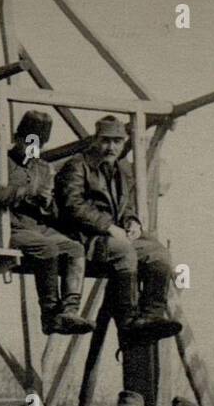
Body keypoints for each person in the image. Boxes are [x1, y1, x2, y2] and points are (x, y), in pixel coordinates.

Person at [54, 116, 181, 344]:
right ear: (95, 140)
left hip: (116, 235)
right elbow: (72, 205)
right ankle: (129, 321)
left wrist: (132, 222)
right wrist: (108, 226)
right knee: (124, 251)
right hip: (85, 237)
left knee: (158, 252)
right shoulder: (77, 166)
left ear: (124, 143)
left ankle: (151, 315)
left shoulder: (121, 170)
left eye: (117, 141)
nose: (111, 147)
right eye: (106, 141)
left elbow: (127, 205)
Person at [0, 109, 93, 336]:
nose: (32, 149)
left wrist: (48, 202)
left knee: (75, 248)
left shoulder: (42, 168)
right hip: (8, 227)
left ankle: (69, 311)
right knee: (46, 247)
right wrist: (25, 192)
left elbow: (52, 211)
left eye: (38, 145)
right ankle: (49, 315)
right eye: (29, 142)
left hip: (37, 227)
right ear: (17, 138)